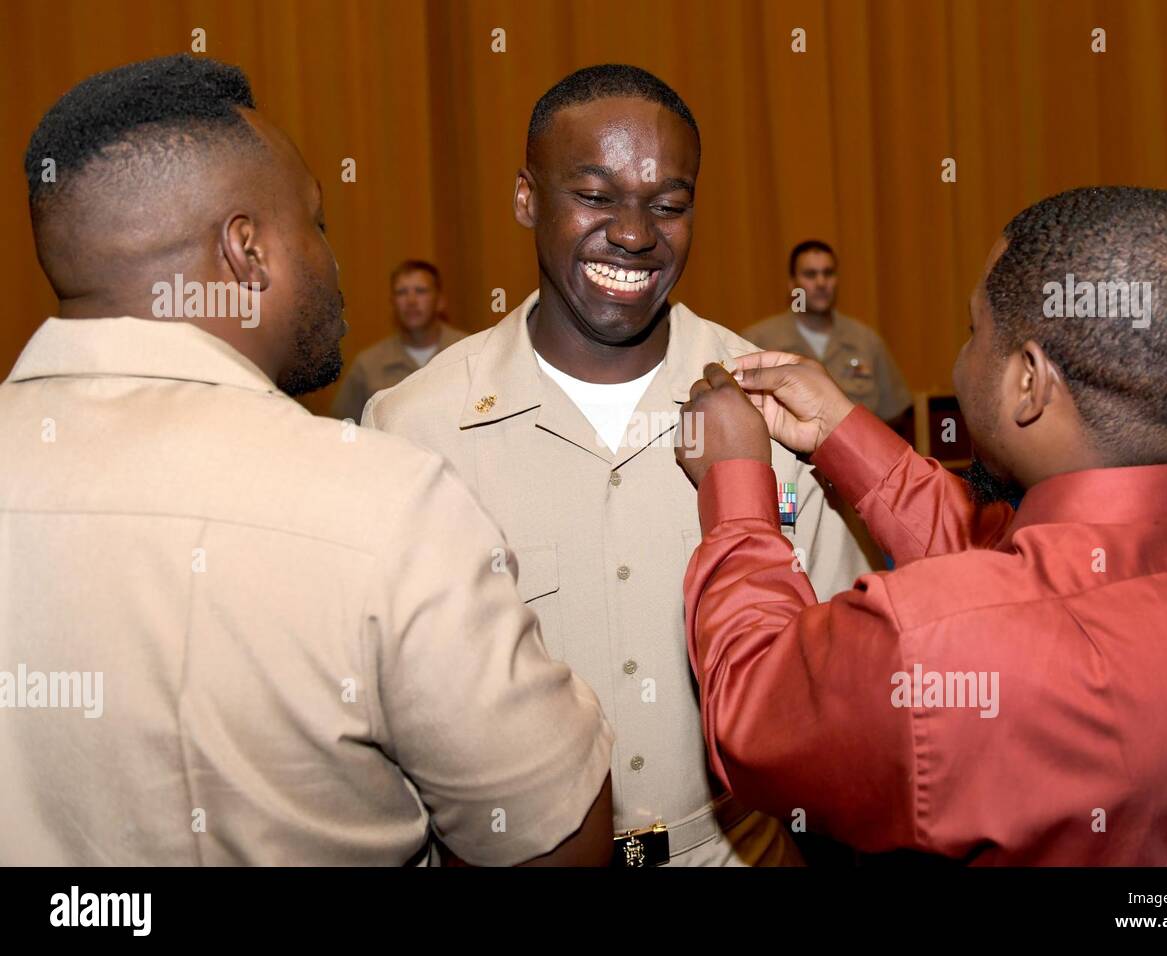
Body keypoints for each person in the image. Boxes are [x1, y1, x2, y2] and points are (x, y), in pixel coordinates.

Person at [0, 53, 612, 867]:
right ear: (246, 251)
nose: (330, 256)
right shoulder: (380, 505)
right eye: (315, 223)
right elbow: (557, 839)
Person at [676, 186, 1167, 865]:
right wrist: (839, 430)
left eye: (975, 331)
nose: (962, 356)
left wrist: (734, 481)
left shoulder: (929, 647)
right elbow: (1023, 577)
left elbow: (757, 712)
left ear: (1028, 381)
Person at [364, 64, 874, 867]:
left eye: (668, 204)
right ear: (527, 198)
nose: (635, 234)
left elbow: (846, 684)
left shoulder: (777, 409)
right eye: (596, 198)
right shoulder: (416, 429)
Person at [744, 240, 912, 433]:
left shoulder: (866, 341)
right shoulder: (758, 340)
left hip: (855, 458)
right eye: (810, 274)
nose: (821, 283)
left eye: (828, 273)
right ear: (792, 284)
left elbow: (894, 415)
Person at [330, 260, 467, 422]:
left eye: (421, 291)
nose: (411, 301)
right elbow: (343, 426)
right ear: (393, 303)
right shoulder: (368, 365)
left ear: (440, 302)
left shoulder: (468, 352)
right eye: (401, 292)